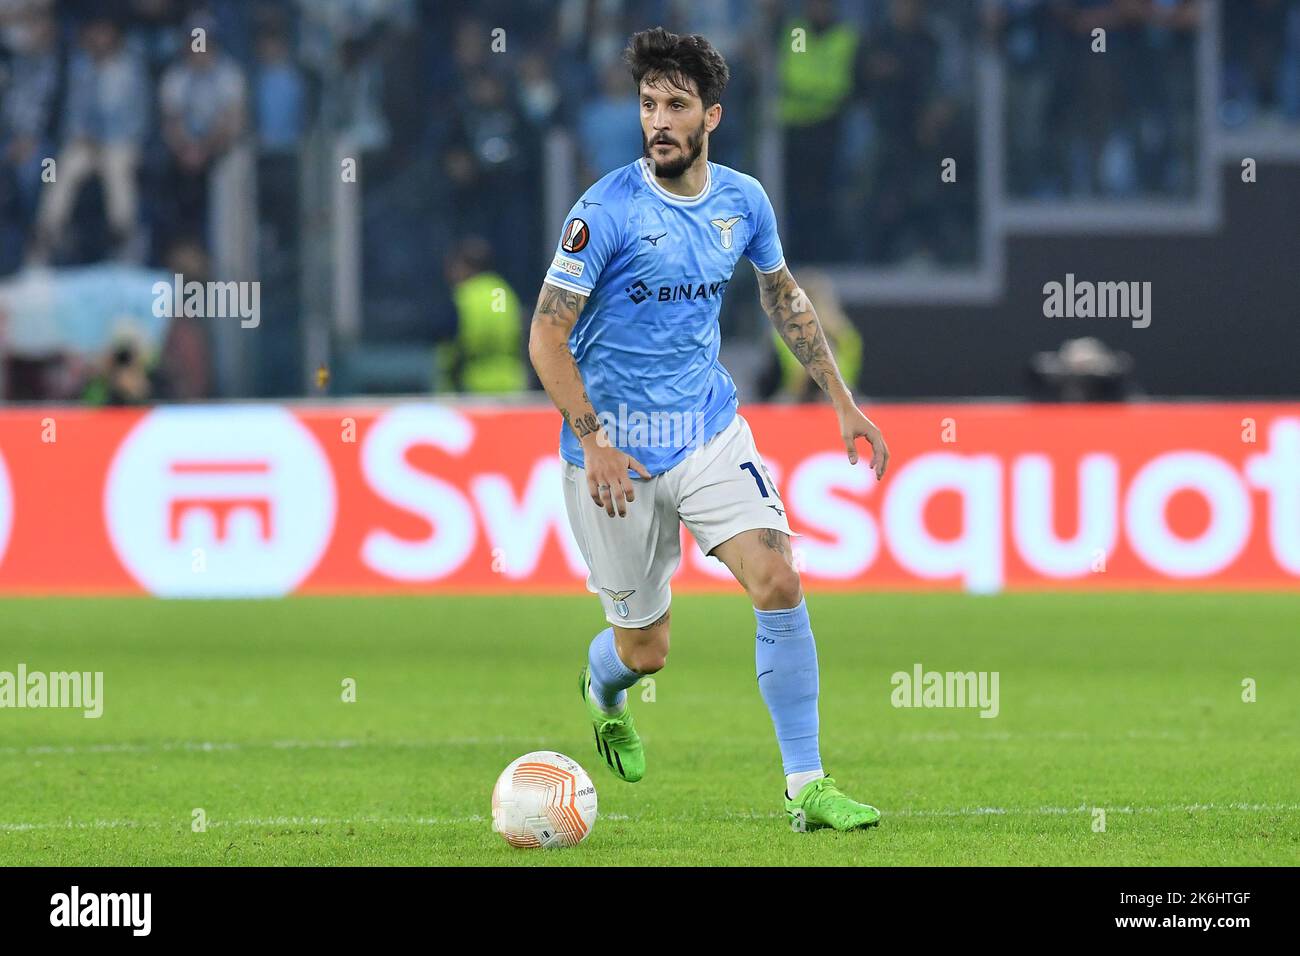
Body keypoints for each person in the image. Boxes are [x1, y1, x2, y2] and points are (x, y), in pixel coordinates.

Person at [528, 27, 889, 832]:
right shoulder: (604, 212)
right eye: (649, 104)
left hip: (708, 432)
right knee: (643, 651)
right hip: (613, 454)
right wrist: (592, 439)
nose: (658, 119)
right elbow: (546, 336)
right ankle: (601, 690)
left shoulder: (742, 201)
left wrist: (842, 399)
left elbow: (784, 296)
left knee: (779, 580)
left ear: (712, 117)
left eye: (676, 105)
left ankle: (807, 787)